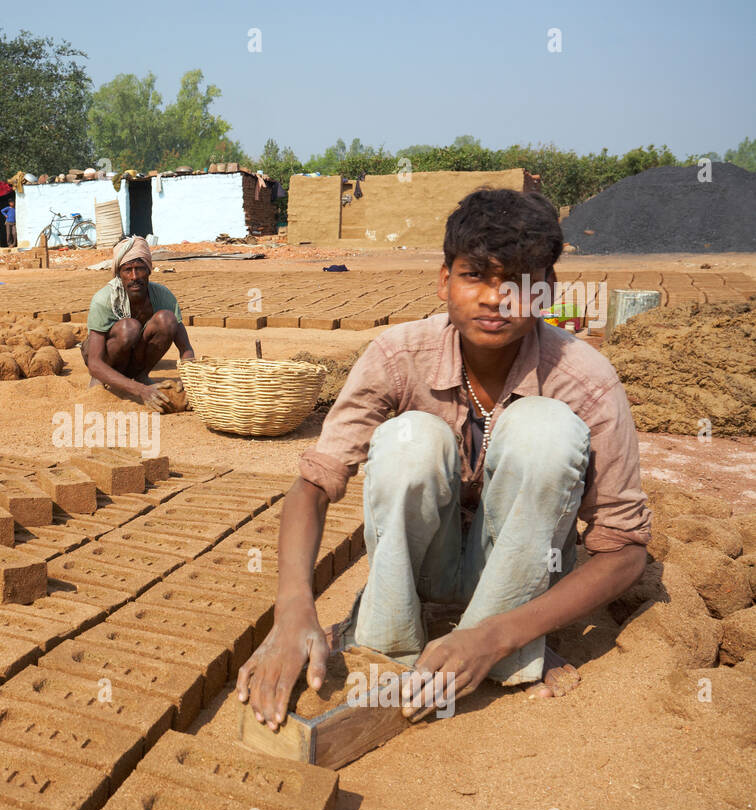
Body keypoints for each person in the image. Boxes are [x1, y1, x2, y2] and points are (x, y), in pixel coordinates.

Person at [237, 188, 651, 727]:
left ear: (546, 291)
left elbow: (624, 549)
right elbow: (313, 487)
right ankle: (387, 639)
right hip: (425, 572)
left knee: (544, 432)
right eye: (475, 274)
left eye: (519, 281)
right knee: (412, 439)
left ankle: (505, 654)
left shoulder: (586, 381)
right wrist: (293, 609)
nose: (494, 298)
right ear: (443, 280)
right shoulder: (396, 355)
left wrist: (502, 635)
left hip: (523, 587)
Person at [81, 236, 196, 412]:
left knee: (167, 319)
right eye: (128, 270)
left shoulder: (163, 296)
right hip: (102, 359)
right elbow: (94, 362)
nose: (134, 276)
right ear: (119, 274)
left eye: (140, 269)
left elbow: (186, 348)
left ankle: (140, 375)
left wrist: (190, 383)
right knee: (129, 328)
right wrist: (140, 391)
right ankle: (101, 379)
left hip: (136, 356)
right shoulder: (104, 299)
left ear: (149, 270)